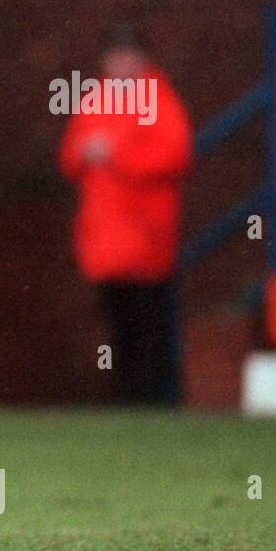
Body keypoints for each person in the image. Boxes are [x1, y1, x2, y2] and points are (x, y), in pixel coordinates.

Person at [58, 28, 193, 406]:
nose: (120, 64)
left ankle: (159, 400)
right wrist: (88, 153)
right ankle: (129, 398)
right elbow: (69, 158)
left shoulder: (160, 101)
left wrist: (115, 156)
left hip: (147, 239)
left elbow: (174, 156)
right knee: (119, 328)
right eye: (115, 56)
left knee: (152, 325)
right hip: (104, 242)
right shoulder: (95, 101)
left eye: (128, 56)